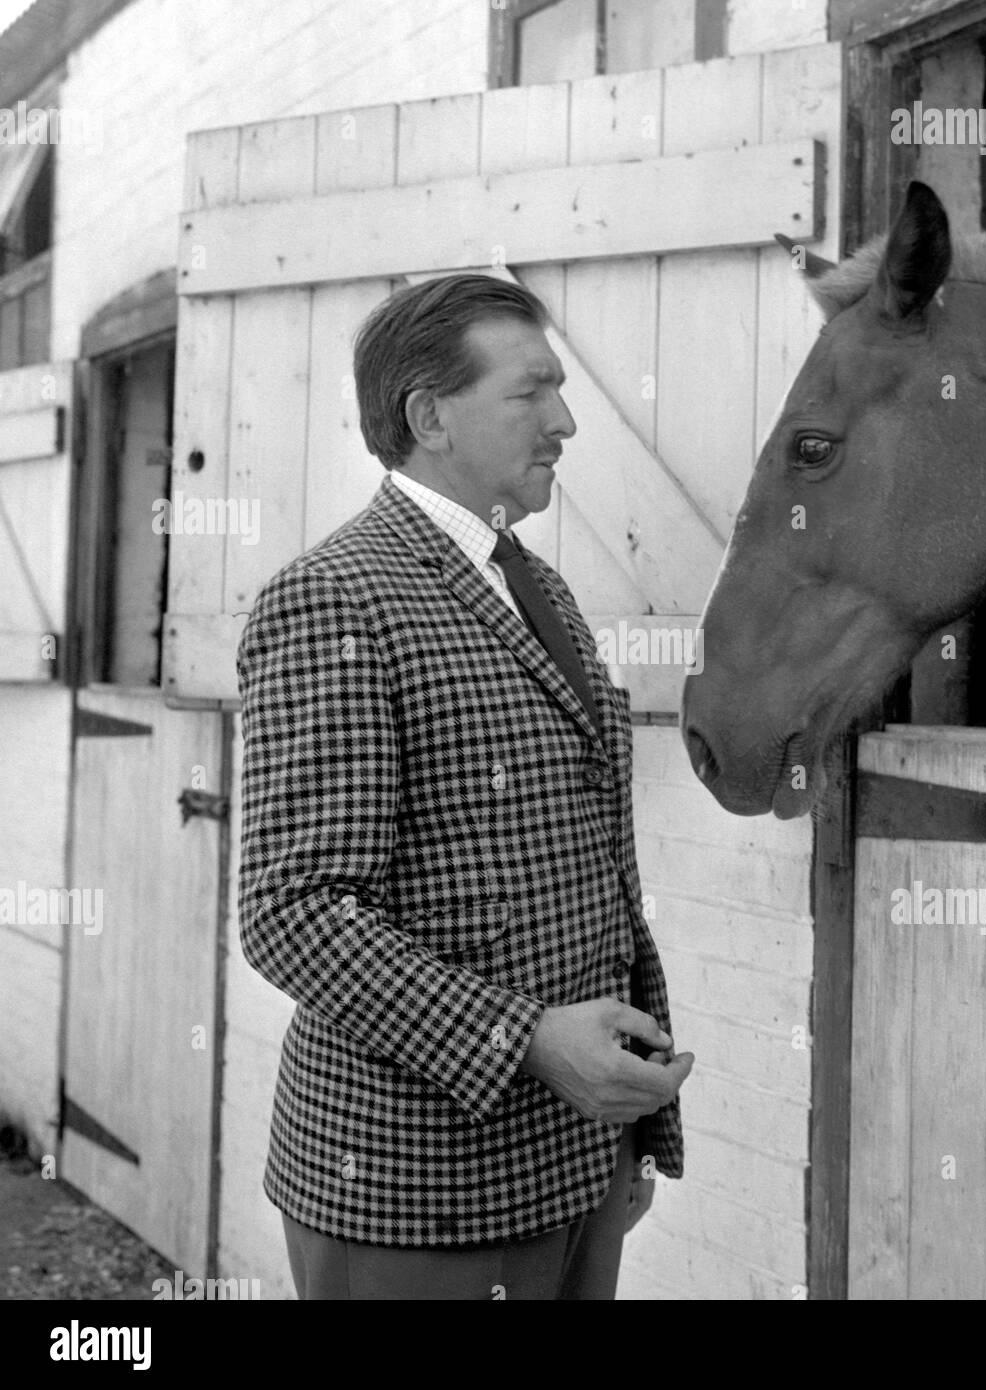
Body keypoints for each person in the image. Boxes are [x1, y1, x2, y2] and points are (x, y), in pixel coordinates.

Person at [236, 273, 693, 1300]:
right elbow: (292, 912)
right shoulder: (334, 596)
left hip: (574, 1165)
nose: (566, 420)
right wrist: (529, 1041)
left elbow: (588, 872)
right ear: (428, 414)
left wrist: (621, 1137)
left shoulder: (540, 588)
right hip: (417, 1197)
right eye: (530, 391)